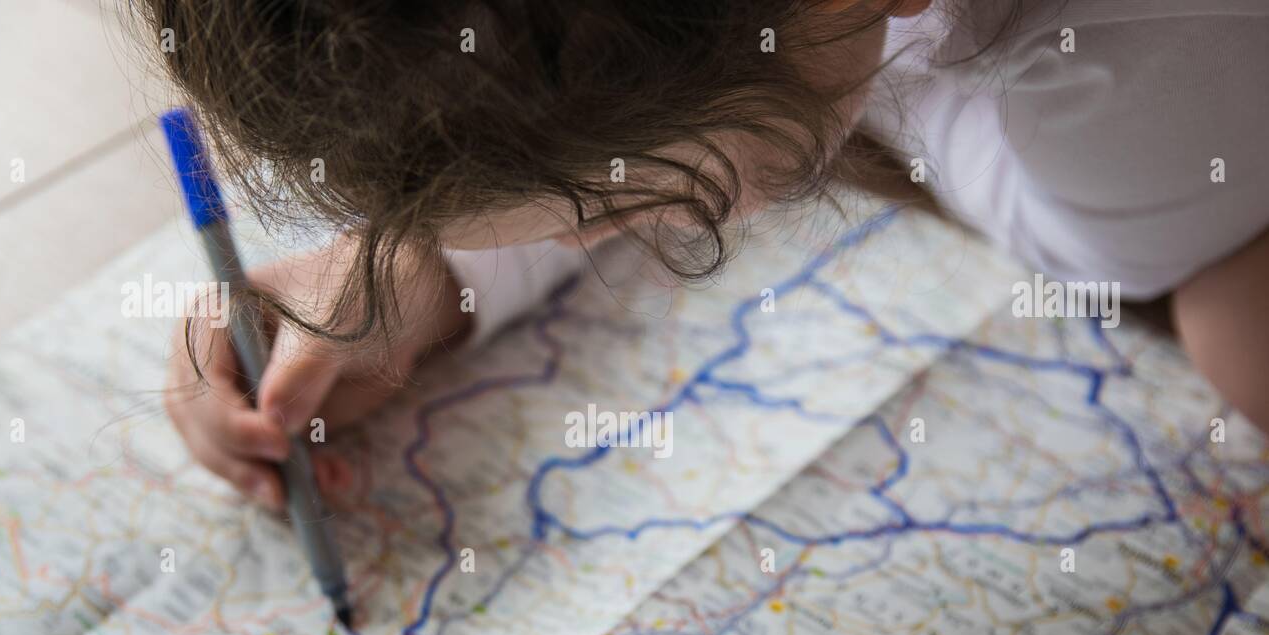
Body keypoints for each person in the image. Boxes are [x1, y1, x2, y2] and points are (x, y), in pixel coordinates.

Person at [134, 0, 1269, 509]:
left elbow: (1102, 235)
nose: (605, 238)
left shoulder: (1117, 84)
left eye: (601, 218)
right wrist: (424, 274)